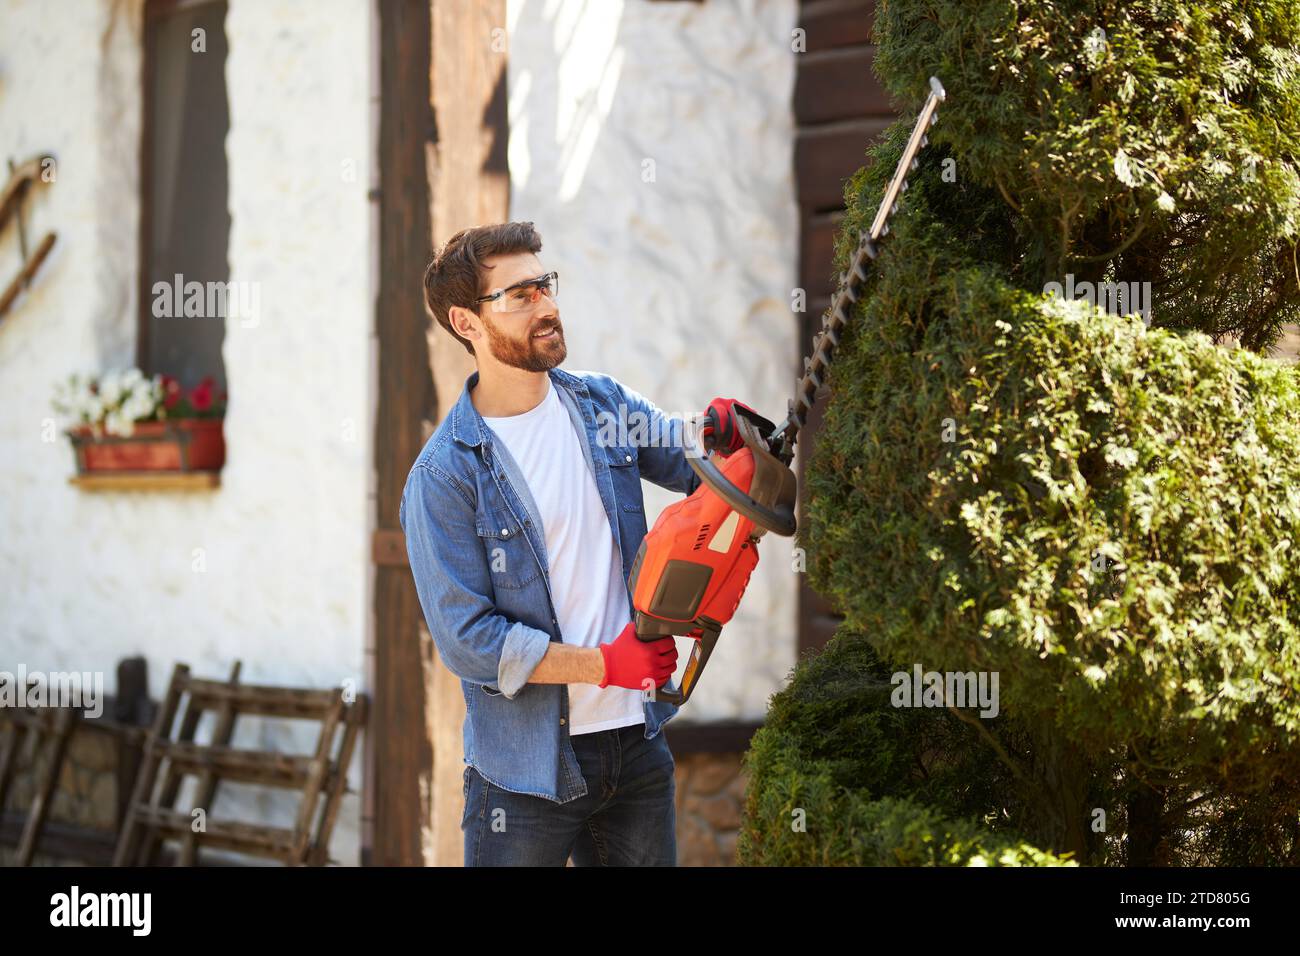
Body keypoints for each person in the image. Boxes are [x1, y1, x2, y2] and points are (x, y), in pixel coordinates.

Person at [400, 220, 751, 866]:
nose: (548, 307)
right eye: (520, 295)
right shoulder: (446, 474)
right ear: (466, 322)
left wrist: (719, 431)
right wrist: (603, 664)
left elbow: (686, 453)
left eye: (545, 285)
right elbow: (468, 640)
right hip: (525, 777)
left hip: (635, 747)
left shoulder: (599, 406)